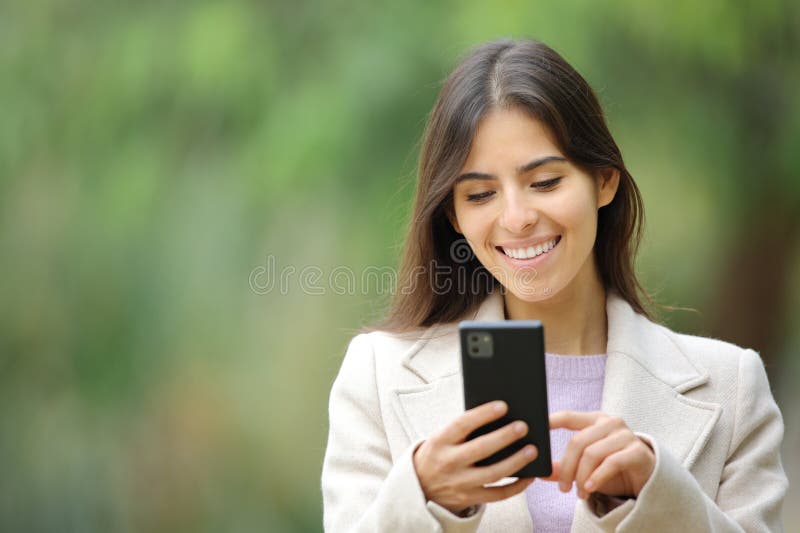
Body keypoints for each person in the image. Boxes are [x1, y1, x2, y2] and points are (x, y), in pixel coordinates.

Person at [321, 39, 787, 532]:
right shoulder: (377, 375)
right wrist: (423, 497)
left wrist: (658, 495)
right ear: (454, 216)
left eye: (545, 182)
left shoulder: (732, 387)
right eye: (480, 194)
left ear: (604, 181)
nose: (518, 219)